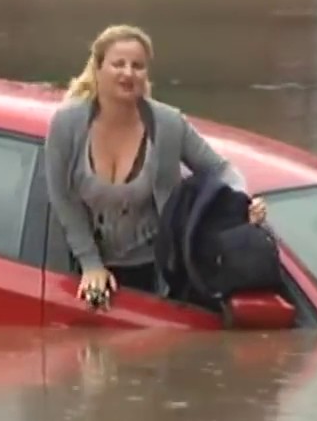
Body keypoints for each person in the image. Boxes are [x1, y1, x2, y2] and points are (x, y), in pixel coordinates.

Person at [43, 24, 267, 304]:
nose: (128, 73)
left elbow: (220, 169)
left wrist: (242, 201)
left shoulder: (168, 124)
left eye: (138, 66)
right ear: (98, 69)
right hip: (80, 267)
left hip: (154, 271)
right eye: (118, 64)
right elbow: (62, 197)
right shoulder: (67, 124)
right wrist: (91, 263)